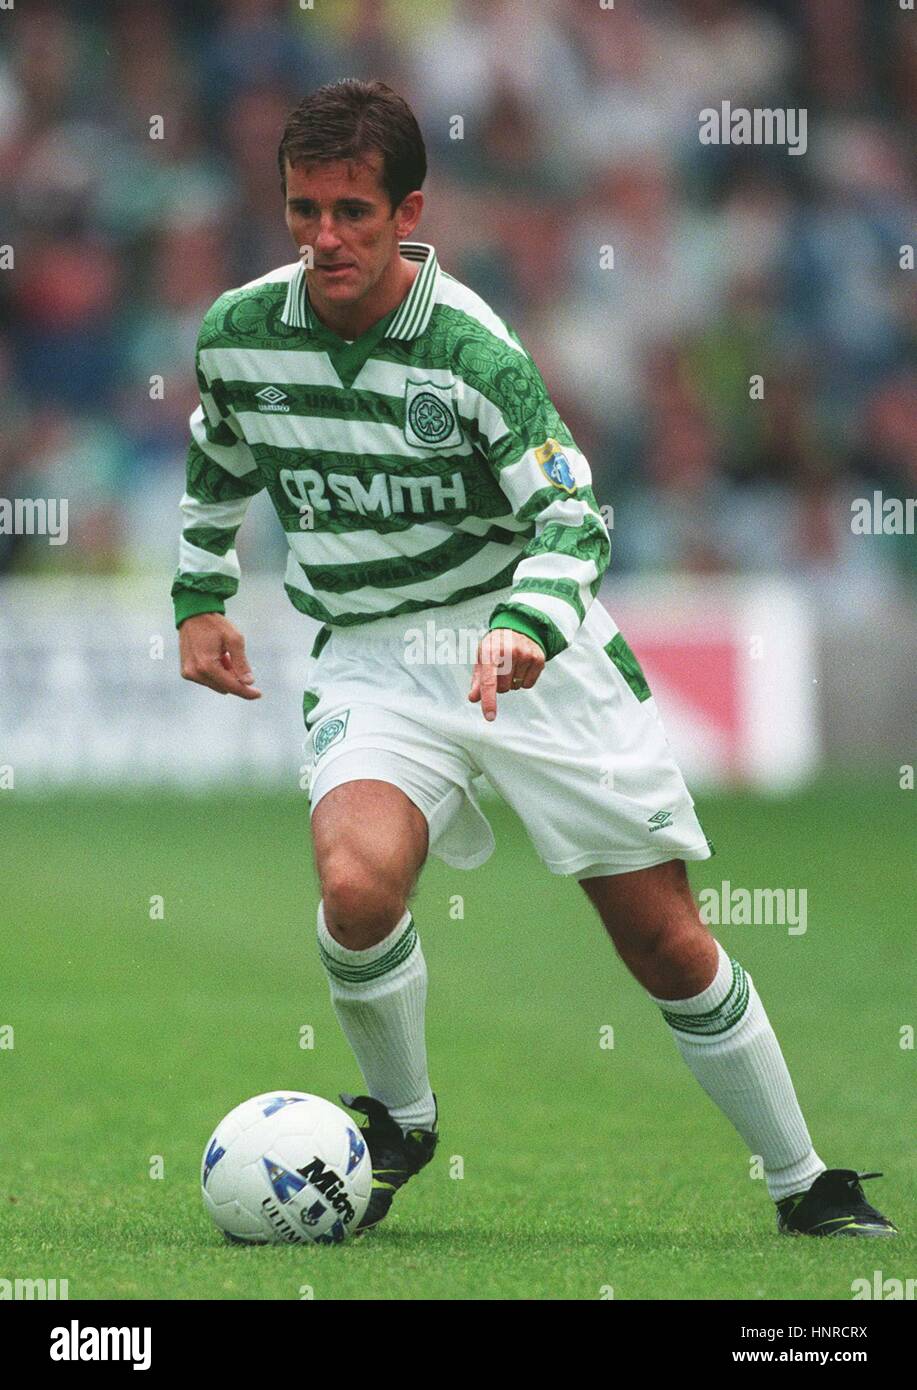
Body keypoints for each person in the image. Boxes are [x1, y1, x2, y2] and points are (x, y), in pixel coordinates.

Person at [173, 80, 896, 1240]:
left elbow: (574, 516)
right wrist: (200, 589)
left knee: (660, 938)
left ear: (407, 208)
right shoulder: (241, 334)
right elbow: (218, 451)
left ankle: (801, 1180)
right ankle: (401, 1120)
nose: (324, 237)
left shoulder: (469, 348)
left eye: (353, 211)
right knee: (354, 890)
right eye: (304, 209)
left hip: (529, 653)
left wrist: (524, 626)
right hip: (371, 655)